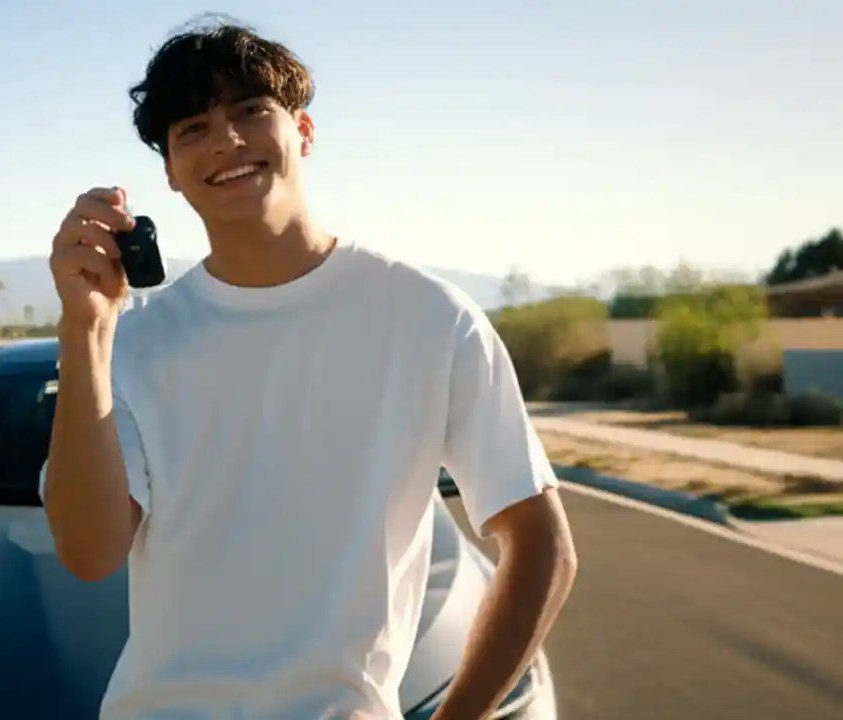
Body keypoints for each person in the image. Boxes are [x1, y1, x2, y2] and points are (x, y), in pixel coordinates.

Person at [41, 17, 578, 720]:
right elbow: (89, 553)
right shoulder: (133, 339)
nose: (227, 141)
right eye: (192, 128)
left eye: (250, 111)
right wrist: (84, 332)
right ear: (170, 174)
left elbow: (542, 546)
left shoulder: (427, 316)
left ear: (304, 131)